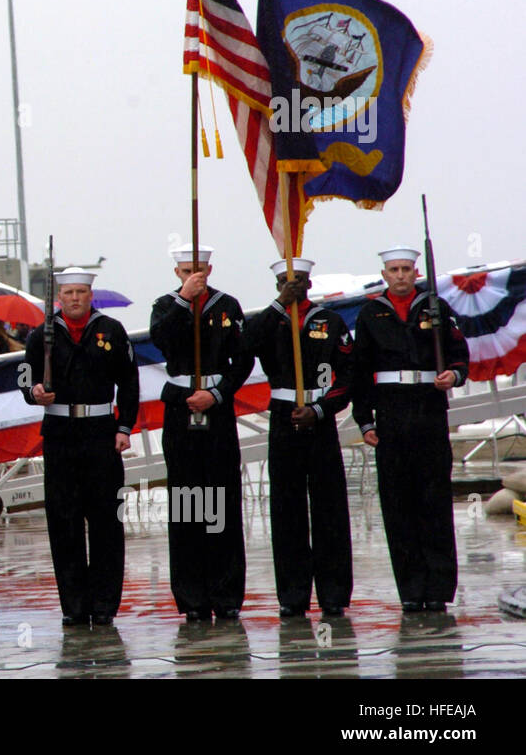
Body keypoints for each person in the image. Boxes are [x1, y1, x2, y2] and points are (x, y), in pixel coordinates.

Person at [352, 245, 469, 613]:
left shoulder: (436, 308)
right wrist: (365, 419)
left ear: (417, 272)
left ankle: (438, 588)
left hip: (429, 407)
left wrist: (454, 375)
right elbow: (359, 371)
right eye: (394, 269)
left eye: (407, 269)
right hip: (391, 411)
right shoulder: (371, 313)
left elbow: (459, 353)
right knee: (398, 503)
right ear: (384, 274)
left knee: (433, 500)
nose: (401, 275)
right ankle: (411, 588)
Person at [21, 267, 139, 626]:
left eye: (81, 293)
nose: (74, 298)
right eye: (69, 293)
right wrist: (34, 393)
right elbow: (25, 376)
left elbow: (129, 382)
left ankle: (104, 604)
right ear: (59, 296)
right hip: (59, 433)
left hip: (101, 433)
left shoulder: (111, 330)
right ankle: (74, 606)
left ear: (91, 295)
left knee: (105, 520)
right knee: (64, 521)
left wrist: (124, 427)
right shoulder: (42, 334)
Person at [243, 258, 353, 618]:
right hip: (283, 418)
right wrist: (278, 306)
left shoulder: (330, 321)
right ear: (277, 285)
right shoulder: (269, 321)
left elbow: (347, 377)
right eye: (286, 282)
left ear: (309, 282)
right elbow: (244, 350)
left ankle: (334, 594)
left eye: (300, 280)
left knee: (329, 507)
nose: (294, 286)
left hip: (318, 419)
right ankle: (292, 594)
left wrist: (321, 410)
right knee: (287, 509)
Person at [148, 245, 252, 622]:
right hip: (180, 409)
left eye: (200, 268)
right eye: (187, 269)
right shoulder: (165, 305)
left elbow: (243, 360)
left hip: (217, 407)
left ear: (210, 268)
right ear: (177, 271)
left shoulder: (228, 306)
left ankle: (226, 595)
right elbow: (161, 339)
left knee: (221, 501)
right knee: (188, 501)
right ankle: (191, 597)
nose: (194, 274)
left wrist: (217, 394)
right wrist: (183, 301)